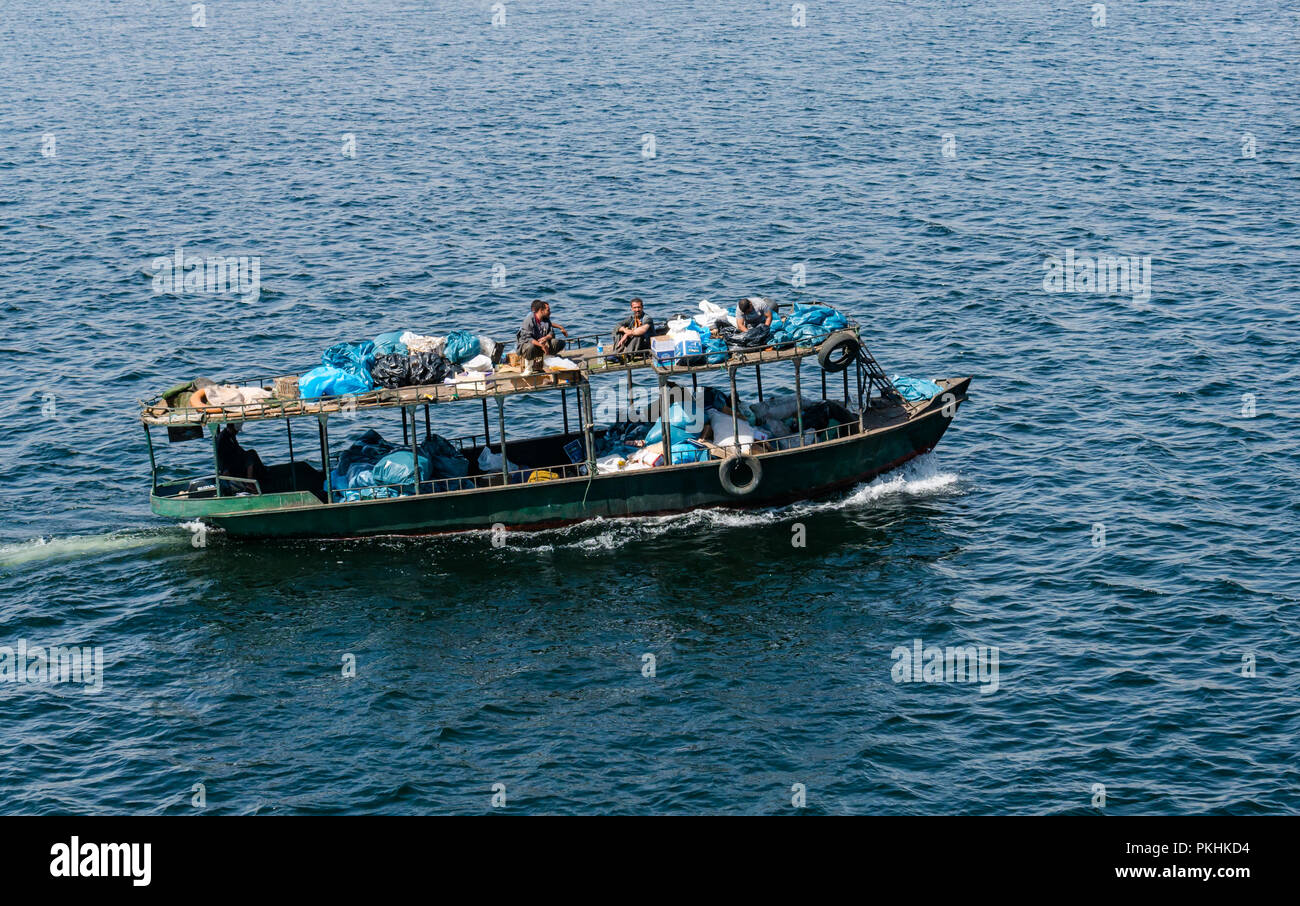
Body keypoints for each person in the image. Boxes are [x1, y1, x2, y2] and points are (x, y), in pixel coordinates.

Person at [516, 299, 568, 373]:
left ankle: (546, 364)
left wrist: (546, 338)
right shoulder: (529, 319)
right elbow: (527, 338)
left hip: (541, 344)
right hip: (531, 344)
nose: (550, 312)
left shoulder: (546, 319)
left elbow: (551, 332)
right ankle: (528, 368)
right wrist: (541, 345)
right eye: (548, 310)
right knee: (530, 347)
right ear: (541, 310)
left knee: (558, 342)